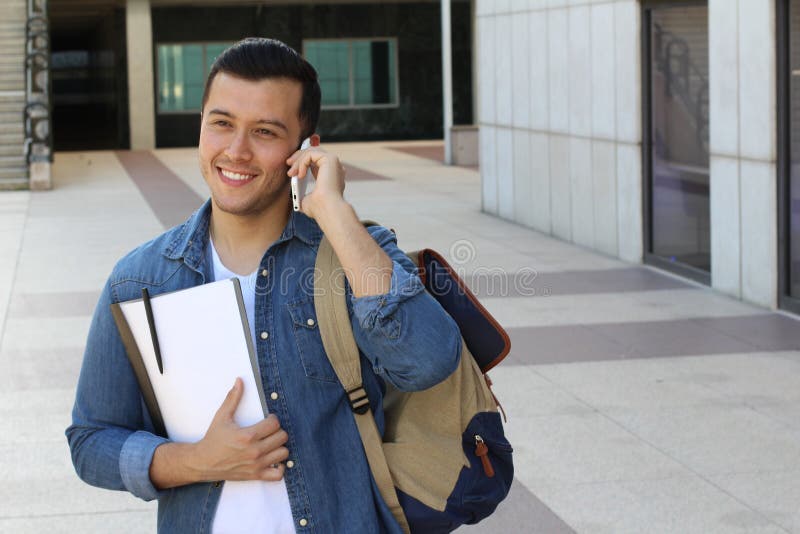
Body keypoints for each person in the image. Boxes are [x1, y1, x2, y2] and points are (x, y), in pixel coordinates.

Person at [66, 37, 461, 533]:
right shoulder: (141, 279)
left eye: (266, 132)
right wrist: (196, 461)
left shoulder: (356, 250)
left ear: (305, 149)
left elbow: (429, 362)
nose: (236, 151)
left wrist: (335, 215)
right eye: (222, 123)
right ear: (201, 125)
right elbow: (90, 441)